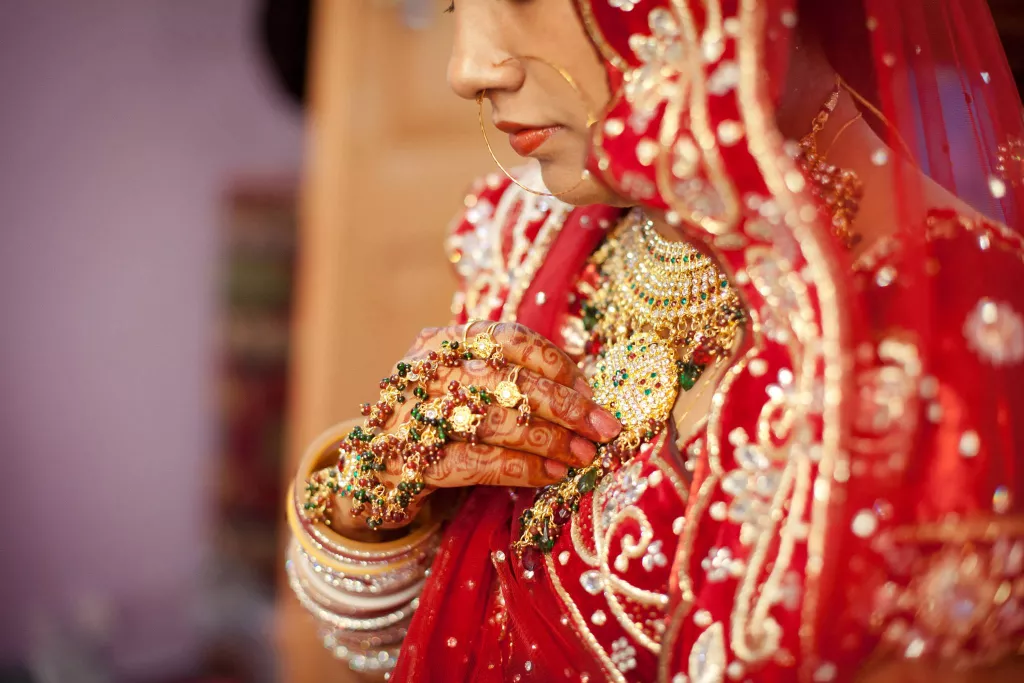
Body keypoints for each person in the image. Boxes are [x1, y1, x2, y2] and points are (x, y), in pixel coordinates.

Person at [285, 1, 1024, 681]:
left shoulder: (949, 331)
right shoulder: (530, 242)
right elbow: (434, 637)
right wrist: (371, 502)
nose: (469, 69)